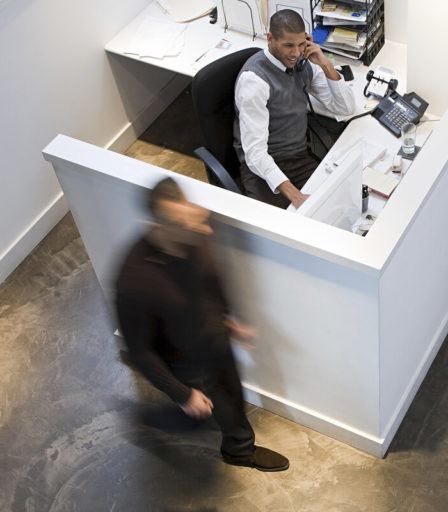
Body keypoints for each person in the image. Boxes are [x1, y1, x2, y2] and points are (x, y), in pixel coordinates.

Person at [115, 177, 289, 472]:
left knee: (231, 394)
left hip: (214, 337)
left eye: (191, 216)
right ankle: (146, 420)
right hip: (182, 360)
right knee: (196, 417)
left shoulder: (194, 230)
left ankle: (239, 451)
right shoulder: (134, 280)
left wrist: (229, 320)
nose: (200, 228)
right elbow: (141, 351)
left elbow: (211, 280)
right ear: (159, 226)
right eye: (183, 224)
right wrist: (183, 394)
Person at [235, 9, 357, 209]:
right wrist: (296, 196)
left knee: (338, 207)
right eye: (288, 45)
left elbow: (345, 107)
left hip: (299, 158)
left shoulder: (303, 64)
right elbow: (255, 154)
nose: (295, 53)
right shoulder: (254, 81)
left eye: (301, 44)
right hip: (264, 167)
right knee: (285, 231)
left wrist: (325, 63)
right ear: (270, 39)